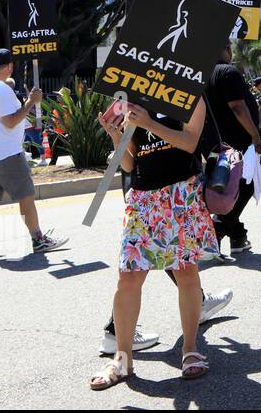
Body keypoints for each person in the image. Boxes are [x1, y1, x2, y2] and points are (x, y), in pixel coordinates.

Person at [89, 99, 221, 389]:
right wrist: (115, 134)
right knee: (128, 279)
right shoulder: (133, 101)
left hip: (181, 193)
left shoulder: (190, 94)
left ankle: (190, 349)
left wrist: (149, 123)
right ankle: (122, 359)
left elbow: (189, 142)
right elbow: (129, 162)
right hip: (144, 198)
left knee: (186, 273)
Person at [0, 49, 67, 261]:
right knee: (26, 196)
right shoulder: (2, 91)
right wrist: (30, 102)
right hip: (7, 153)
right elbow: (10, 121)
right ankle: (38, 240)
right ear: (10, 66)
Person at [205, 43, 261, 254]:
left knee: (228, 189)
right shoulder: (227, 72)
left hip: (215, 144)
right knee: (245, 187)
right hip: (237, 145)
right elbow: (238, 107)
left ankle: (238, 236)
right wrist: (256, 136)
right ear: (226, 48)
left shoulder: (202, 75)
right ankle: (217, 229)